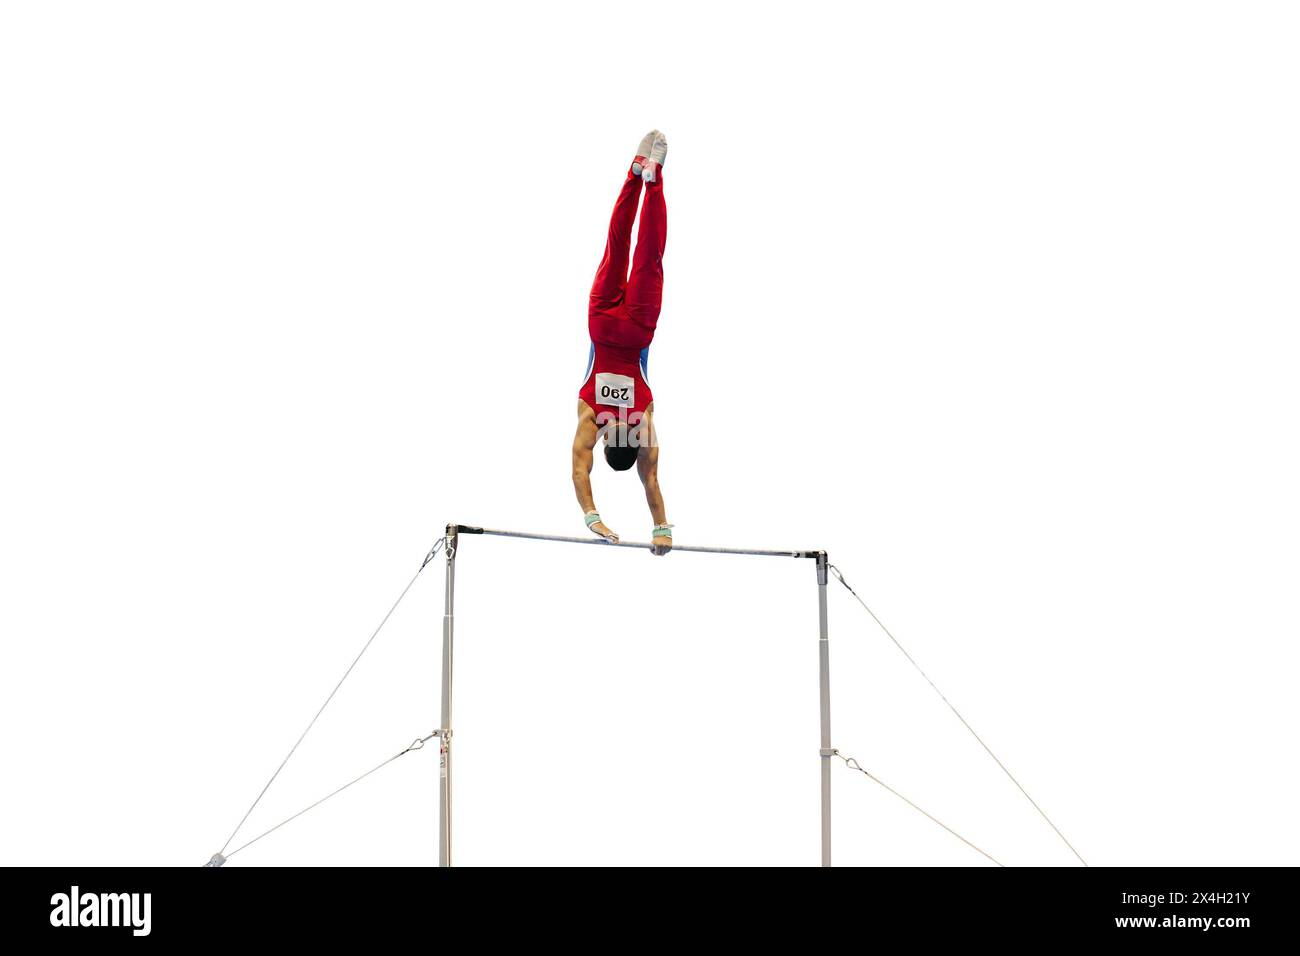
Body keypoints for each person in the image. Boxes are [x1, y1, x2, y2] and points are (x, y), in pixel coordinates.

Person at [572, 131, 672, 555]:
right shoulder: (599, 421)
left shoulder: (623, 425)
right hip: (613, 326)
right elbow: (582, 472)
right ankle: (642, 176)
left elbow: (645, 480)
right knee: (625, 251)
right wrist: (594, 517)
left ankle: (645, 177)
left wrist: (659, 527)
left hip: (623, 327)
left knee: (633, 253)